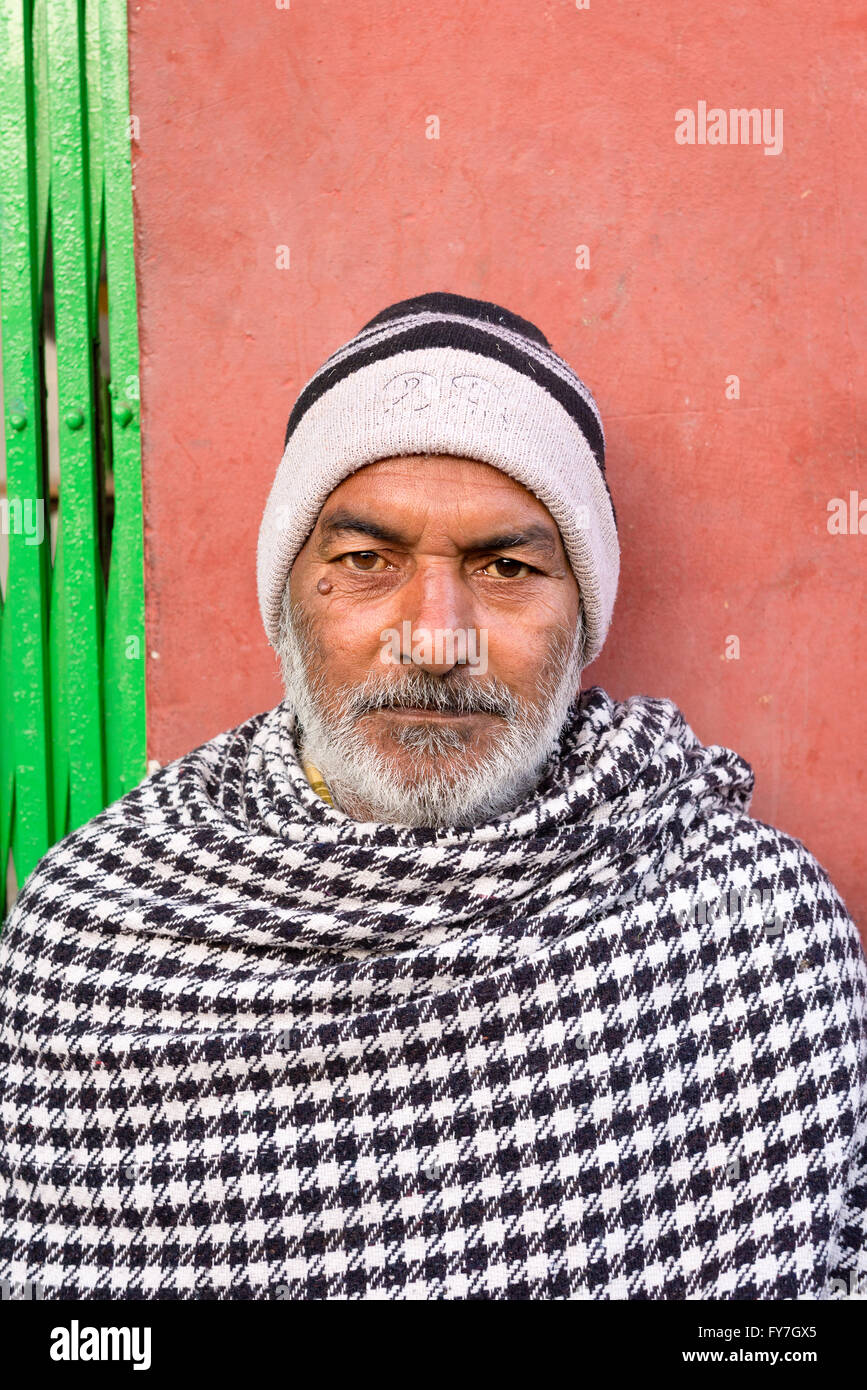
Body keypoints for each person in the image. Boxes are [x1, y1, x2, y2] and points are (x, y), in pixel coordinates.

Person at [1, 292, 864, 1301]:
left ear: (581, 617)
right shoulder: (105, 928)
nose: (436, 637)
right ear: (286, 603)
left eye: (506, 567)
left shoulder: (747, 923)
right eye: (367, 561)